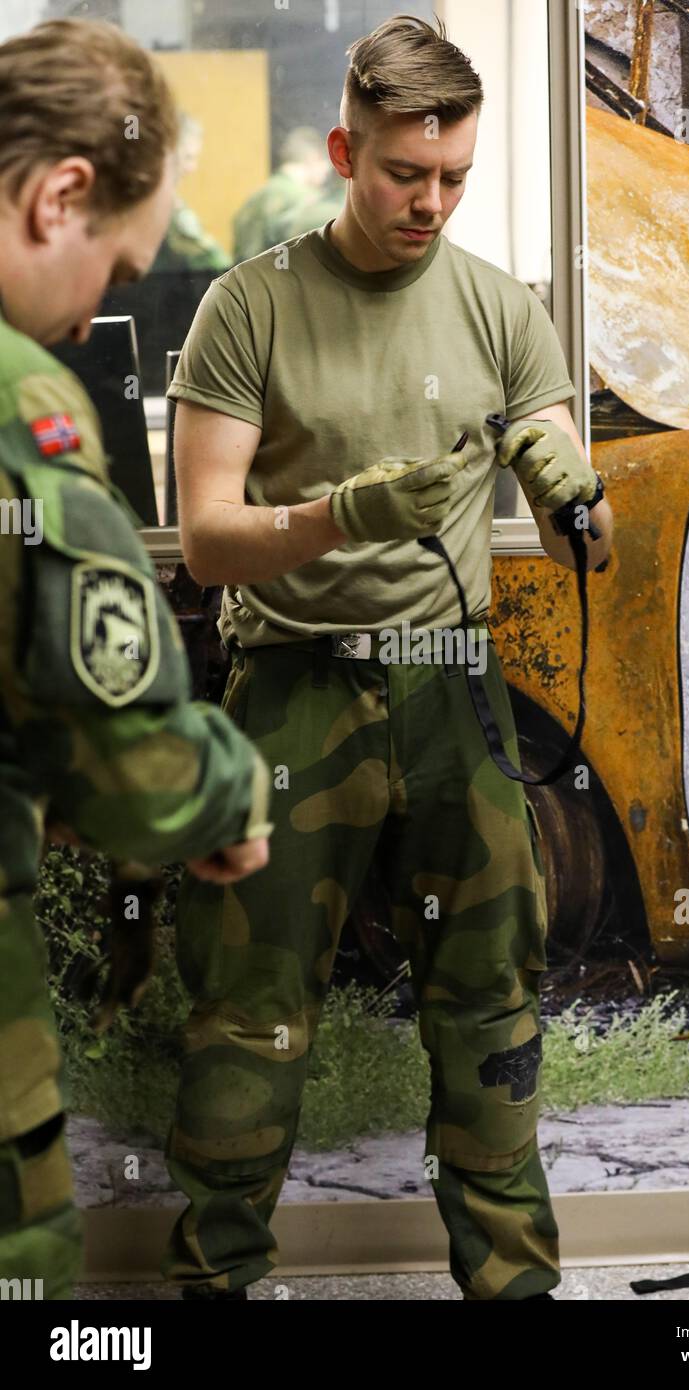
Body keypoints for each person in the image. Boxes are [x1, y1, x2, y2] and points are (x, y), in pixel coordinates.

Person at [165, 14, 614, 1301]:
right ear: (341, 150)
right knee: (249, 1016)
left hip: (451, 691)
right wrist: (339, 515)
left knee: (490, 1012)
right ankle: (215, 1285)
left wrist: (568, 484)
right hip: (296, 687)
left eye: (454, 176)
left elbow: (545, 441)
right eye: (402, 174)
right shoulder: (247, 305)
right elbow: (203, 541)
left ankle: (513, 1286)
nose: (430, 202)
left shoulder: (494, 306)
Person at [0, 18, 273, 1300]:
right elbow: (125, 743)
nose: (106, 294)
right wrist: (221, 796)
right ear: (60, 194)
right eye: (115, 254)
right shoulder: (24, 412)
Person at [231, 126, 343, 262]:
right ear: (314, 158)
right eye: (326, 168)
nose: (326, 176)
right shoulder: (309, 200)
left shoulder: (256, 196)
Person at [153, 113, 230, 274]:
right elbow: (211, 260)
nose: (191, 168)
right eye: (188, 157)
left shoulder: (165, 202)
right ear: (166, 154)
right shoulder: (161, 204)